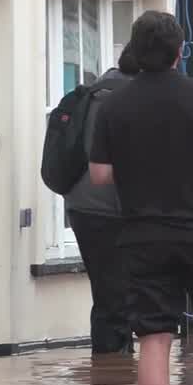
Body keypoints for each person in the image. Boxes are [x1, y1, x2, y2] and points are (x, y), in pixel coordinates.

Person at [88, 11, 193, 385]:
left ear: (135, 51)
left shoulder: (113, 104)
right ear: (180, 52)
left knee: (154, 338)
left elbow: (99, 175)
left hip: (143, 235)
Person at [65, 49, 139, 354]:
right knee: (118, 299)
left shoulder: (95, 92)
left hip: (81, 207)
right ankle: (116, 379)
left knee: (107, 294)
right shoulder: (127, 100)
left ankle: (108, 379)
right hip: (112, 209)